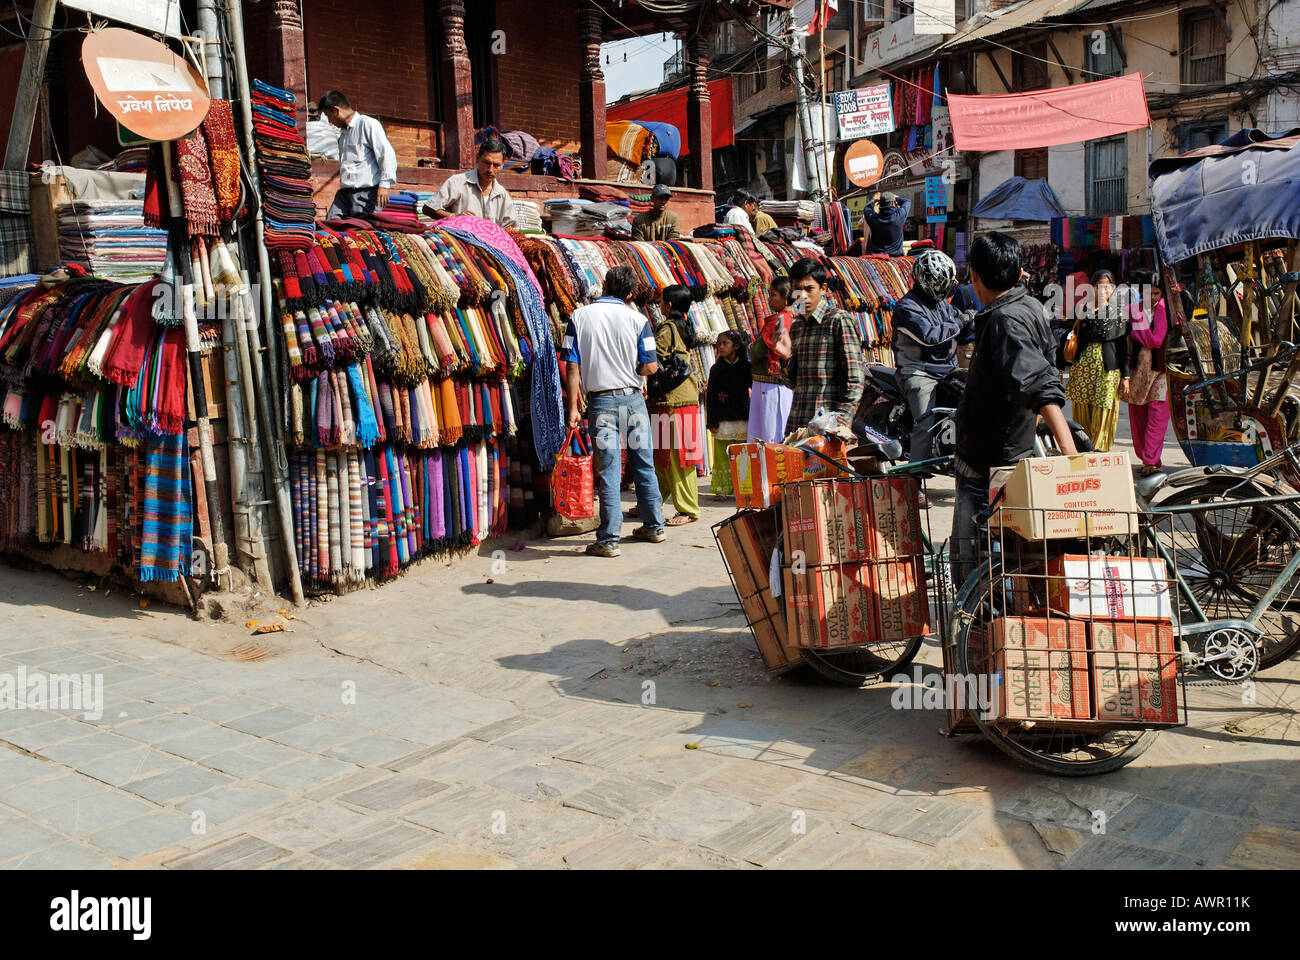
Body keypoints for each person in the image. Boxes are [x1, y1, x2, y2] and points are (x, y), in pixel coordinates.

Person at [952, 232, 1077, 587]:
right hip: (1004, 456)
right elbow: (1047, 367)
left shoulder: (1005, 321)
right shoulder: (1030, 306)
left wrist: (1070, 457)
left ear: (973, 275)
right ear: (1019, 270)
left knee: (973, 570)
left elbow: (1041, 385)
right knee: (1002, 563)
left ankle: (976, 634)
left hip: (987, 469)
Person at [561, 265, 666, 557]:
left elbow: (571, 365)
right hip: (633, 401)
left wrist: (573, 408)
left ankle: (608, 540)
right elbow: (650, 366)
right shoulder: (638, 319)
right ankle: (654, 526)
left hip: (602, 403)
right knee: (643, 463)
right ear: (631, 292)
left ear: (604, 285)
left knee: (608, 470)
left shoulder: (579, 316)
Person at [891, 249, 964, 497]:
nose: (943, 289)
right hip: (918, 372)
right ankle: (914, 482)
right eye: (939, 283)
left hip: (947, 369)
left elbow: (958, 325)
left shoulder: (942, 304)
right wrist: (962, 321)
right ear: (925, 280)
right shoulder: (906, 307)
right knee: (926, 421)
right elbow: (931, 337)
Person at [783, 257, 867, 436]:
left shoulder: (838, 320)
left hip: (828, 426)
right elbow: (794, 382)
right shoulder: (797, 326)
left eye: (809, 288)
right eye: (797, 289)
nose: (802, 295)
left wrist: (842, 422)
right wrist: (783, 360)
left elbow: (855, 379)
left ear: (823, 289)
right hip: (798, 423)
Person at [649, 284, 704, 525]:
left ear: (668, 306)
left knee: (678, 457)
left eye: (661, 301)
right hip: (682, 397)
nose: (659, 305)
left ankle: (688, 509)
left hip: (673, 400)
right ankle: (653, 501)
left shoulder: (666, 328)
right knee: (665, 456)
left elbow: (653, 358)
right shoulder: (684, 325)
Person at [1066, 268, 1129, 452]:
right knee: (1083, 408)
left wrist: (1125, 377)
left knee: (1104, 408)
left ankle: (1100, 450)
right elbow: (1074, 337)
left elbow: (1122, 346)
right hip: (1082, 369)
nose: (1104, 291)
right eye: (1099, 287)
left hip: (1108, 370)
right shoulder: (1082, 310)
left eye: (1108, 287)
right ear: (1092, 288)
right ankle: (1084, 447)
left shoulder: (1118, 314)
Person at [318, 90, 397, 219]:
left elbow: (386, 154)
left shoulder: (368, 124)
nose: (330, 122)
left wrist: (384, 185)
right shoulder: (343, 134)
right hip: (344, 193)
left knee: (364, 232)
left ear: (336, 111)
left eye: (328, 116)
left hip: (366, 193)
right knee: (330, 228)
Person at [1122, 271, 1171, 475]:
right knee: (1138, 415)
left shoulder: (1165, 310)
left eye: (1157, 292)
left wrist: (1137, 332)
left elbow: (1156, 340)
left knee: (1158, 414)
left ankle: (1150, 459)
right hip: (1137, 370)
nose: (1153, 297)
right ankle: (1146, 457)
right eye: (1149, 292)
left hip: (1160, 371)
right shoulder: (1132, 311)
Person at [421, 135, 517, 228]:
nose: (490, 169)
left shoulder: (502, 194)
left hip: (490, 243)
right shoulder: (458, 182)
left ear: (502, 165)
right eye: (487, 163)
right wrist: (455, 218)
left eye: (496, 165)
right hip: (460, 242)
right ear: (478, 159)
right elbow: (429, 208)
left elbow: (509, 227)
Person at [706, 330, 752, 500]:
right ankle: (721, 489)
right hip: (721, 418)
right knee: (721, 455)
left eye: (725, 343)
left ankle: (744, 487)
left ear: (737, 345)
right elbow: (710, 396)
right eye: (719, 344)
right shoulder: (716, 368)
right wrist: (711, 420)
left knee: (742, 454)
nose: (721, 347)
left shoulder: (747, 367)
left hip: (742, 417)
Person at [749, 277, 796, 442]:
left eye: (773, 295)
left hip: (770, 386)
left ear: (786, 296)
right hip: (783, 384)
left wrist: (751, 348)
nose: (769, 300)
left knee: (769, 435)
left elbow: (758, 352)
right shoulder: (797, 317)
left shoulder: (778, 320)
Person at [864, 191, 911, 256]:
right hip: (895, 257)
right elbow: (907, 201)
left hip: (876, 257)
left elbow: (866, 208)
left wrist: (874, 199)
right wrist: (895, 198)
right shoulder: (899, 216)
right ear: (892, 203)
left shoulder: (873, 218)